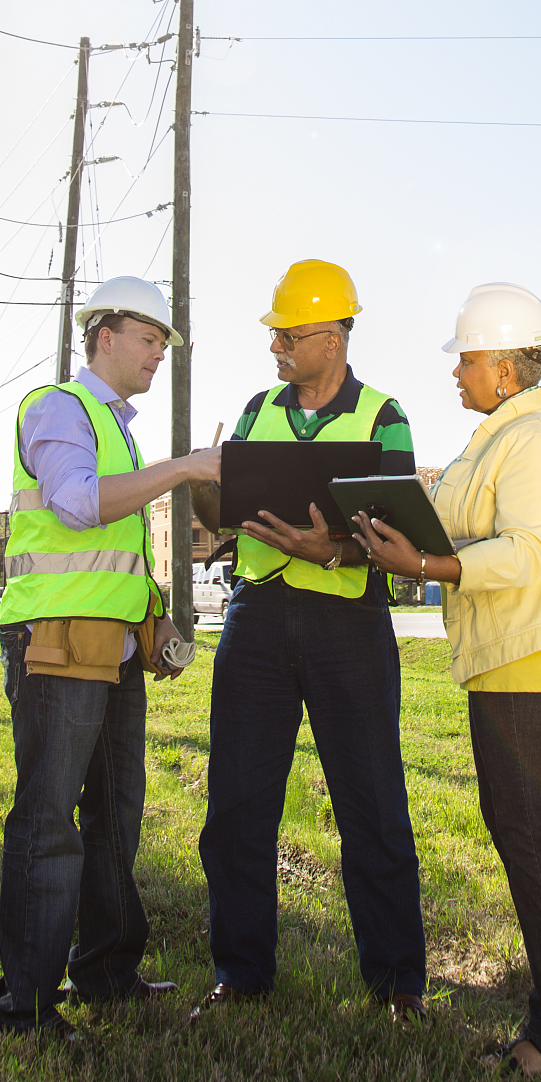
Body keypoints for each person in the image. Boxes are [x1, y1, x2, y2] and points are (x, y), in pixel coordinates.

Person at [356, 283, 541, 1075]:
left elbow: (530, 551)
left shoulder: (533, 439)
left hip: (534, 655)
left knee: (533, 840)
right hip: (510, 656)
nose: (455, 374)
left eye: (465, 360)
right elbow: (447, 516)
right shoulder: (494, 439)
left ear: (505, 368)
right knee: (523, 835)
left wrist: (430, 564)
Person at [0, 276, 221, 1038]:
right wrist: (183, 468)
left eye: (163, 344)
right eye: (150, 339)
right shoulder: (59, 408)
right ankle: (24, 998)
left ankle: (107, 973)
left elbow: (108, 544)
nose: (159, 355)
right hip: (54, 646)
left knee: (115, 813)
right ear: (105, 335)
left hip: (111, 649)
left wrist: (153, 622)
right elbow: (76, 503)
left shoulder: (116, 428)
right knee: (49, 817)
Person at [187, 259, 427, 1022]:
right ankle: (241, 974)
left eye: (287, 336)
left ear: (332, 338)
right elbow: (234, 509)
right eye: (276, 335)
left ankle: (396, 985)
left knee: (372, 807)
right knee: (236, 805)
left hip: (346, 626)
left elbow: (392, 533)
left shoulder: (385, 416)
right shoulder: (258, 409)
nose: (276, 348)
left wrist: (332, 551)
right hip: (255, 618)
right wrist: (209, 505)